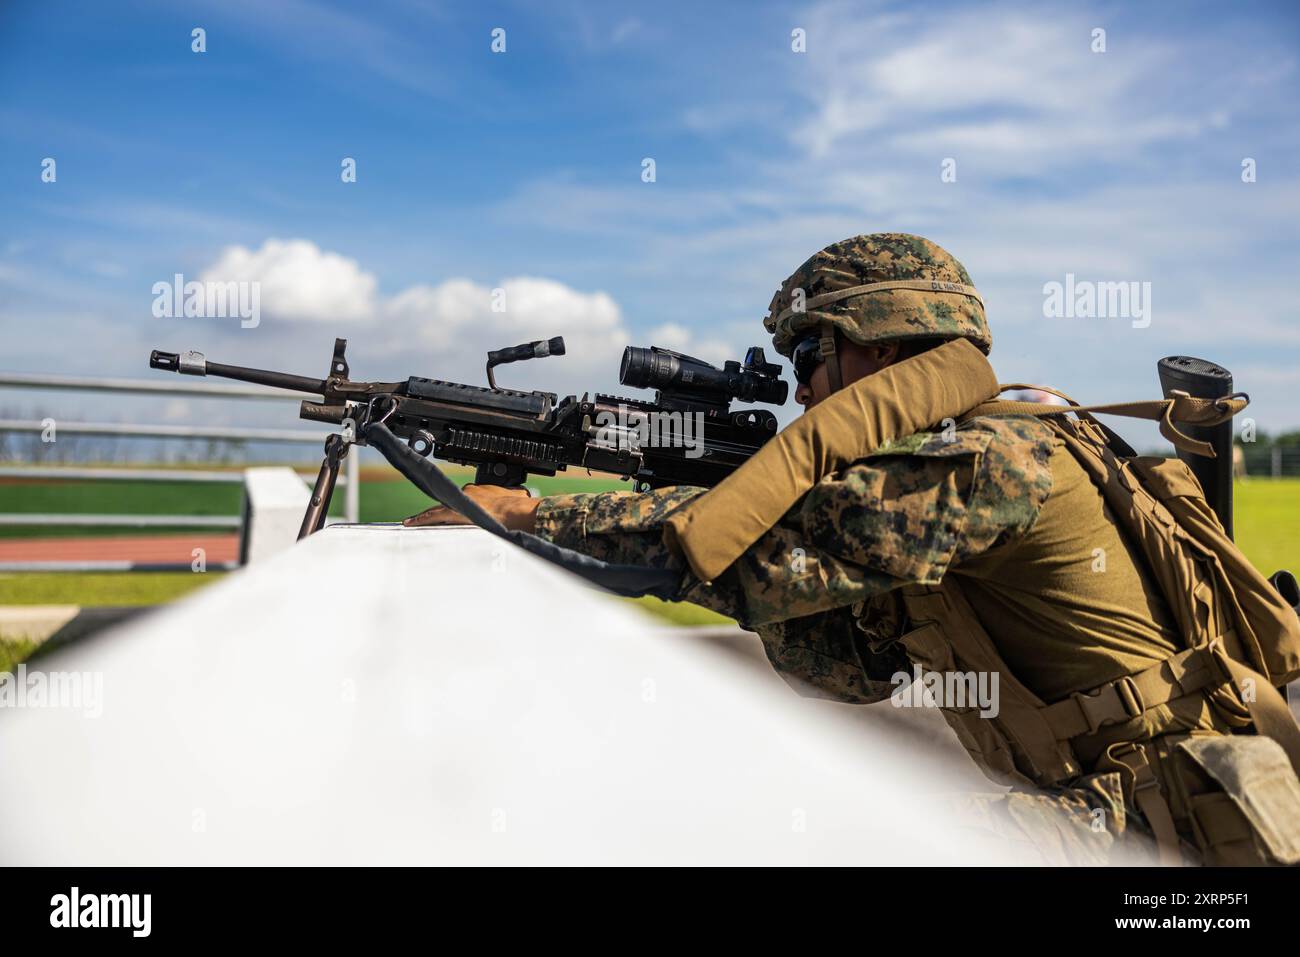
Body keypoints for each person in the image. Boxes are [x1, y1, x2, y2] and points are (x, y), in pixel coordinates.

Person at [405, 233, 1300, 866]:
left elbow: (774, 550)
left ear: (881, 344)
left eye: (811, 355)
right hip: (1128, 805)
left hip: (1167, 825)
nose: (799, 390)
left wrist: (528, 515)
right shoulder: (983, 452)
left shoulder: (998, 457)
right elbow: (855, 668)